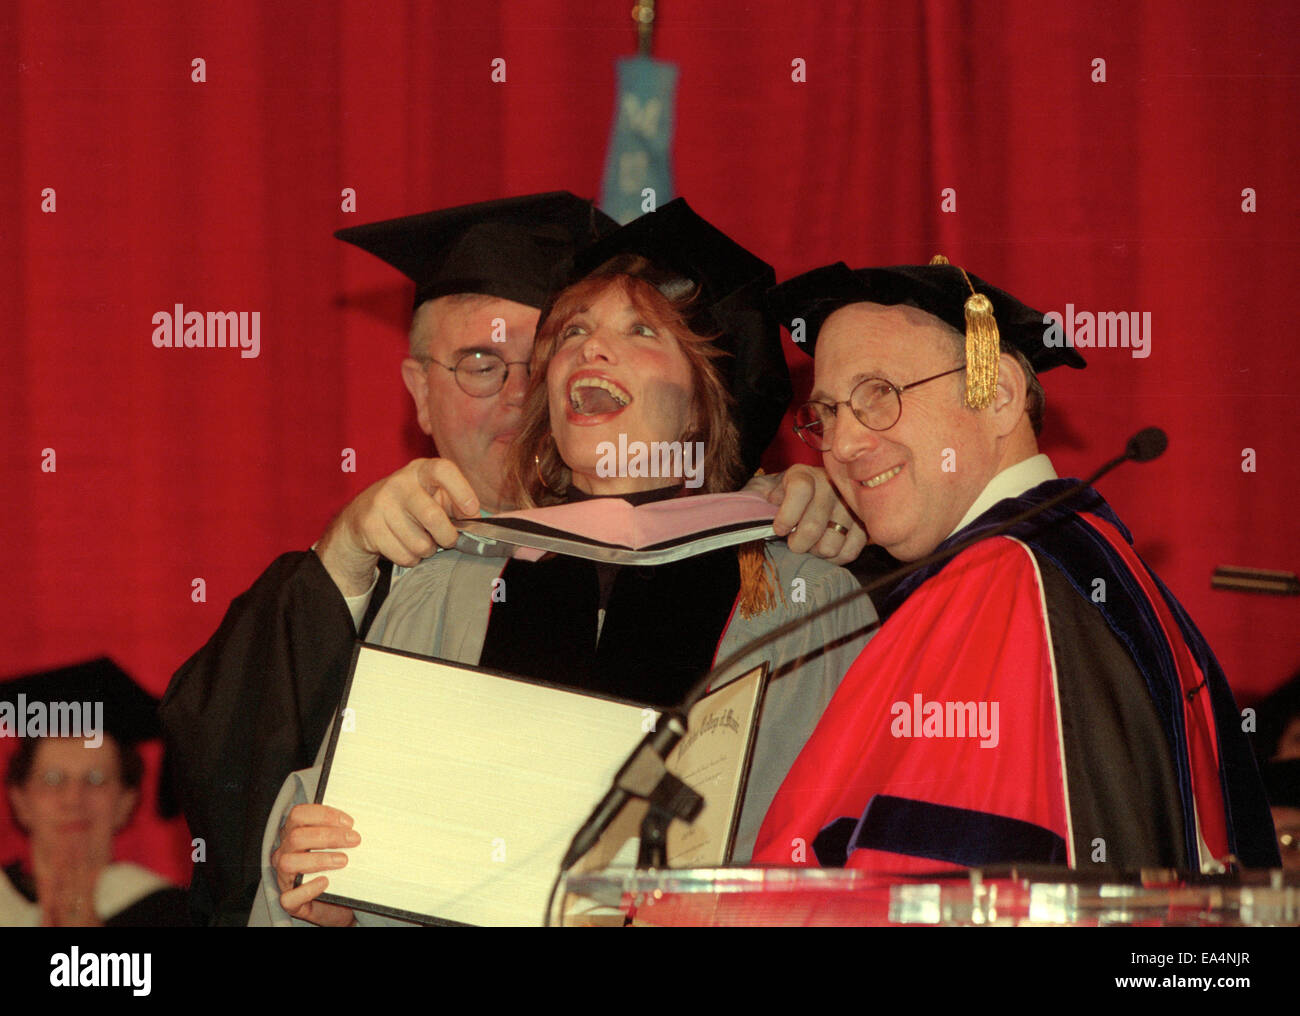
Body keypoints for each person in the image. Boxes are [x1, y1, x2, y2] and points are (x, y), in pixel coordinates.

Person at [162, 194, 865, 926]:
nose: (586, 351)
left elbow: (850, 857)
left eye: (640, 330)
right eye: (572, 333)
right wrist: (314, 892)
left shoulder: (803, 597)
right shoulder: (438, 583)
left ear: (702, 403)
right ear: (419, 397)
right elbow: (320, 857)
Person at [752, 259, 1280, 875]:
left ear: (998, 395)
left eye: (879, 396)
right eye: (828, 414)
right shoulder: (1087, 561)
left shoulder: (1000, 584)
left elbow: (934, 890)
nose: (842, 445)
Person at [1, 659, 189, 926]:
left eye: (96, 779)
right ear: (20, 800)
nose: (74, 799)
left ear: (126, 801)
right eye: (53, 779)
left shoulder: (170, 914)